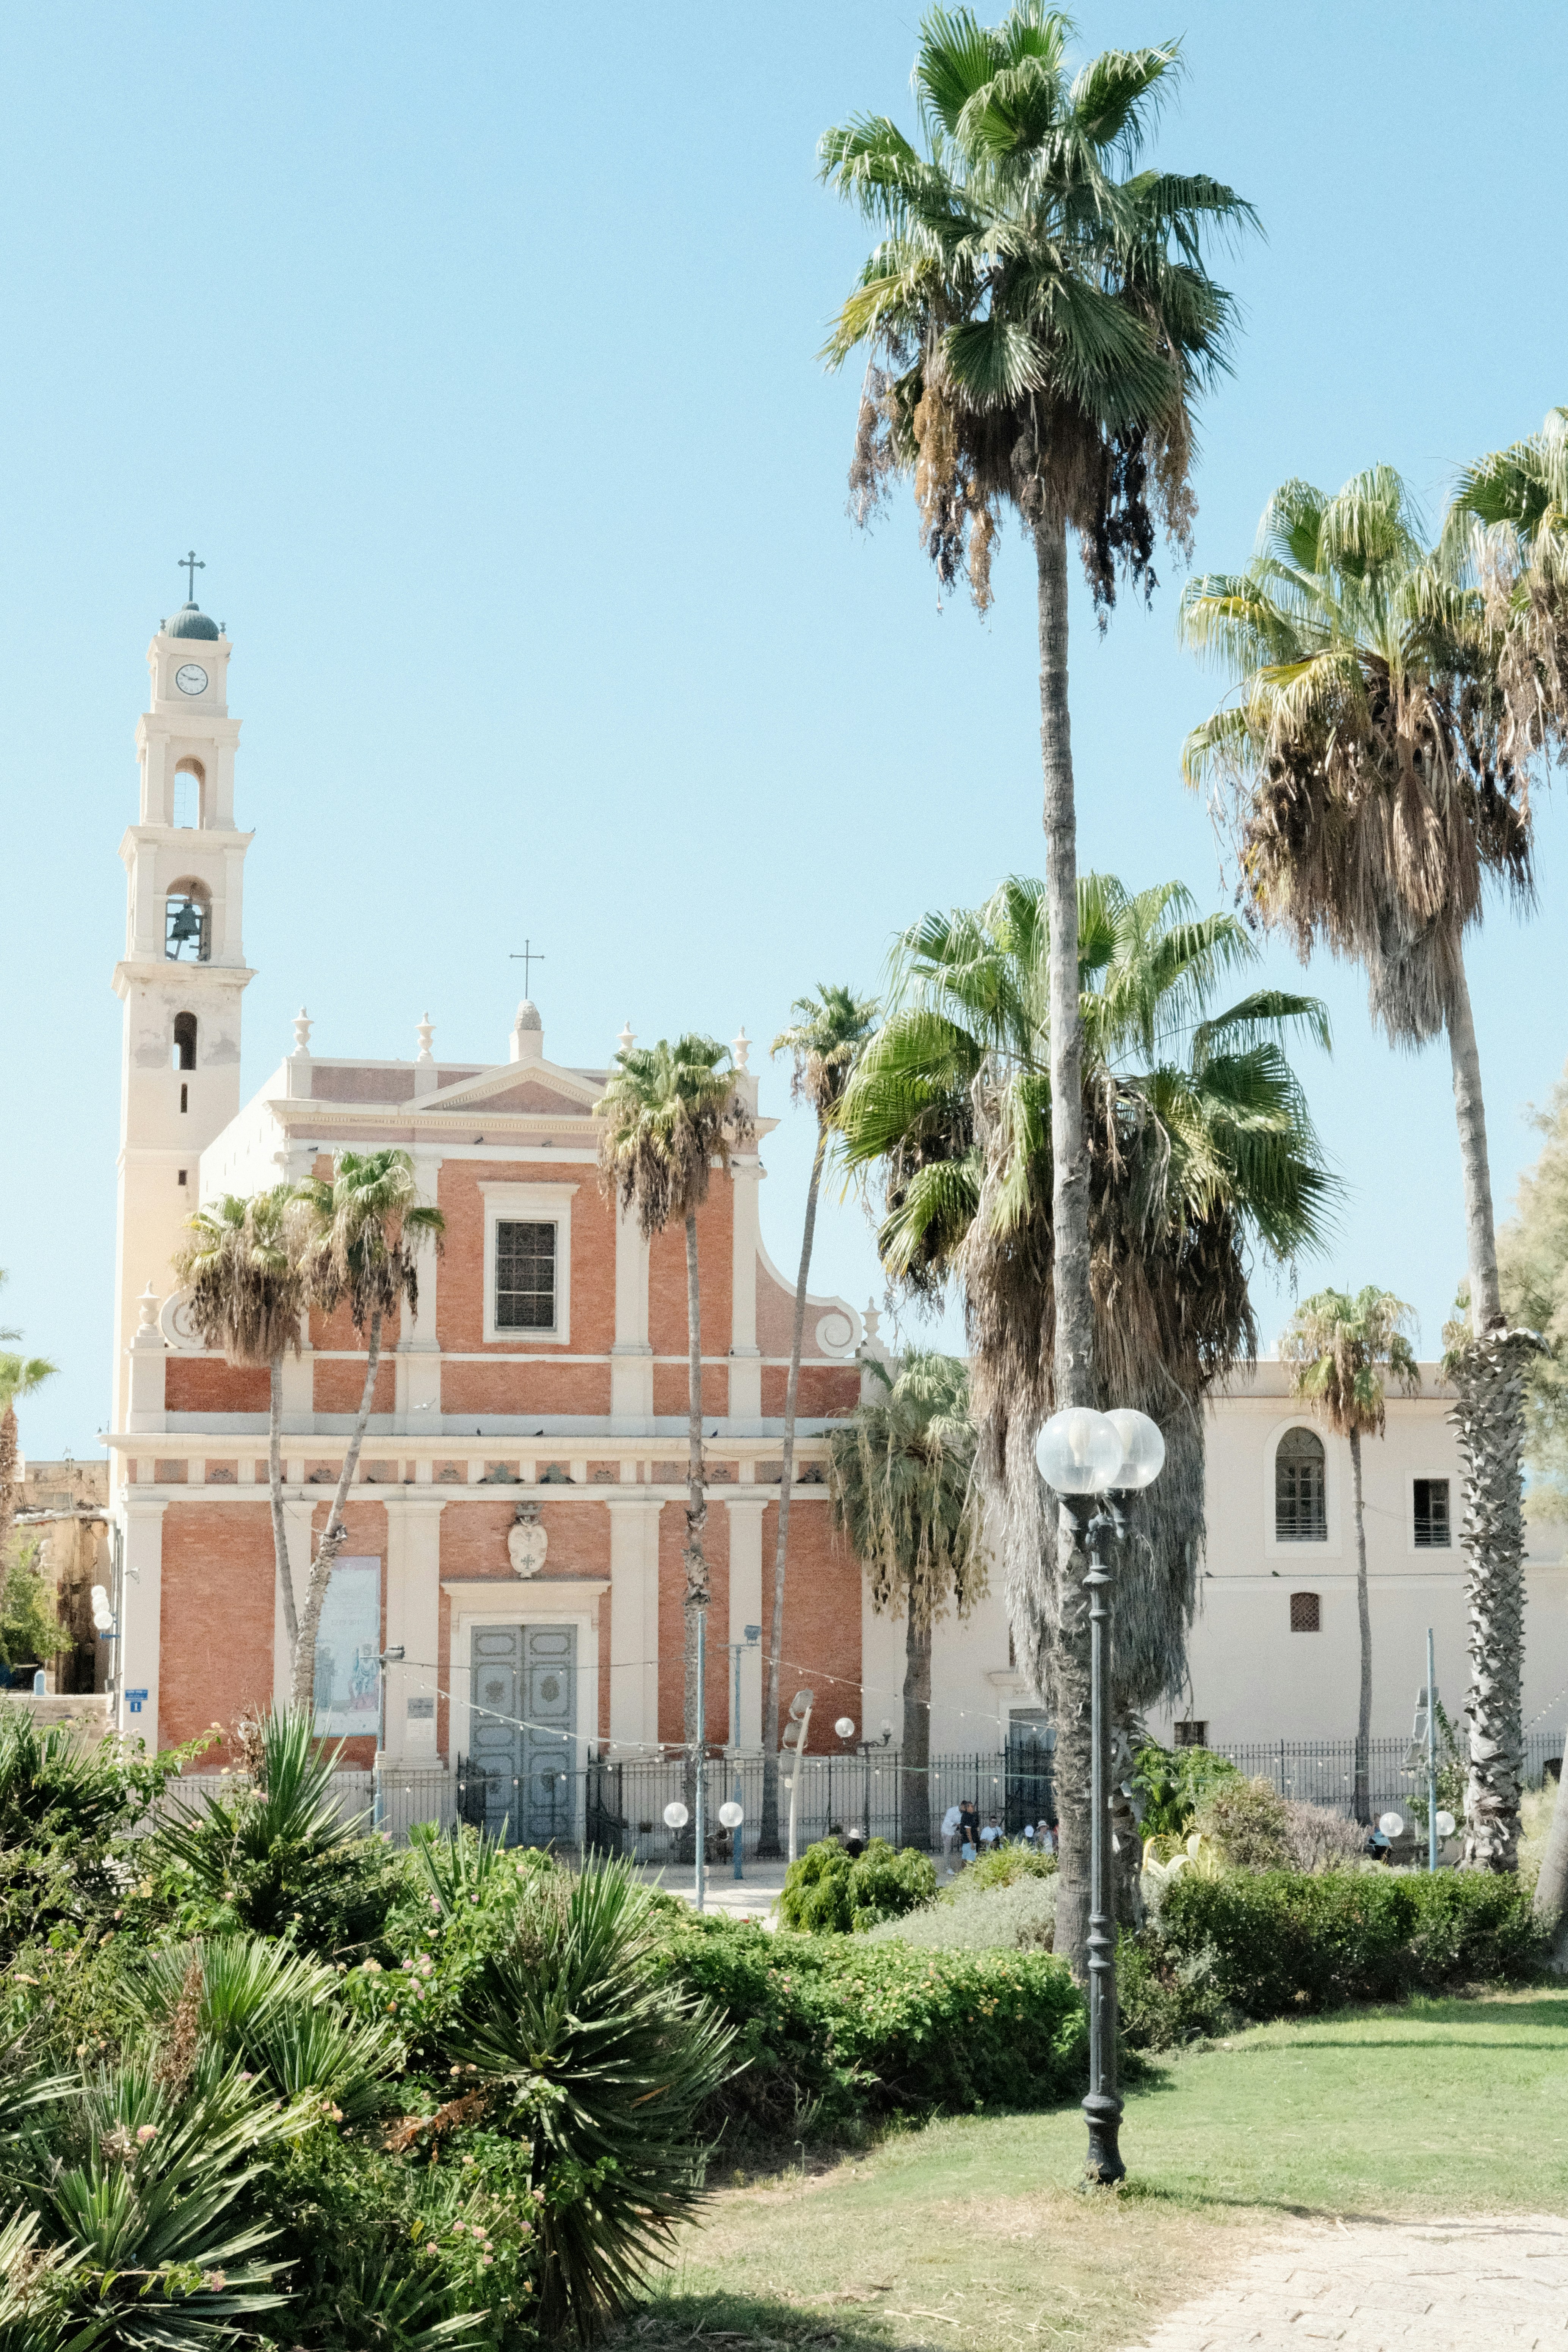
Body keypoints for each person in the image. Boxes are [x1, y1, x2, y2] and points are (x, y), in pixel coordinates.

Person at [941, 1801, 963, 1874]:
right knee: (948, 1850)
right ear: (961, 1806)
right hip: (947, 1832)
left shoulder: (963, 1813)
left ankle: (957, 1867)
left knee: (956, 1849)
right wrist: (956, 1825)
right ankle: (948, 1868)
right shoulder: (952, 1811)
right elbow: (947, 1822)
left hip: (955, 1832)